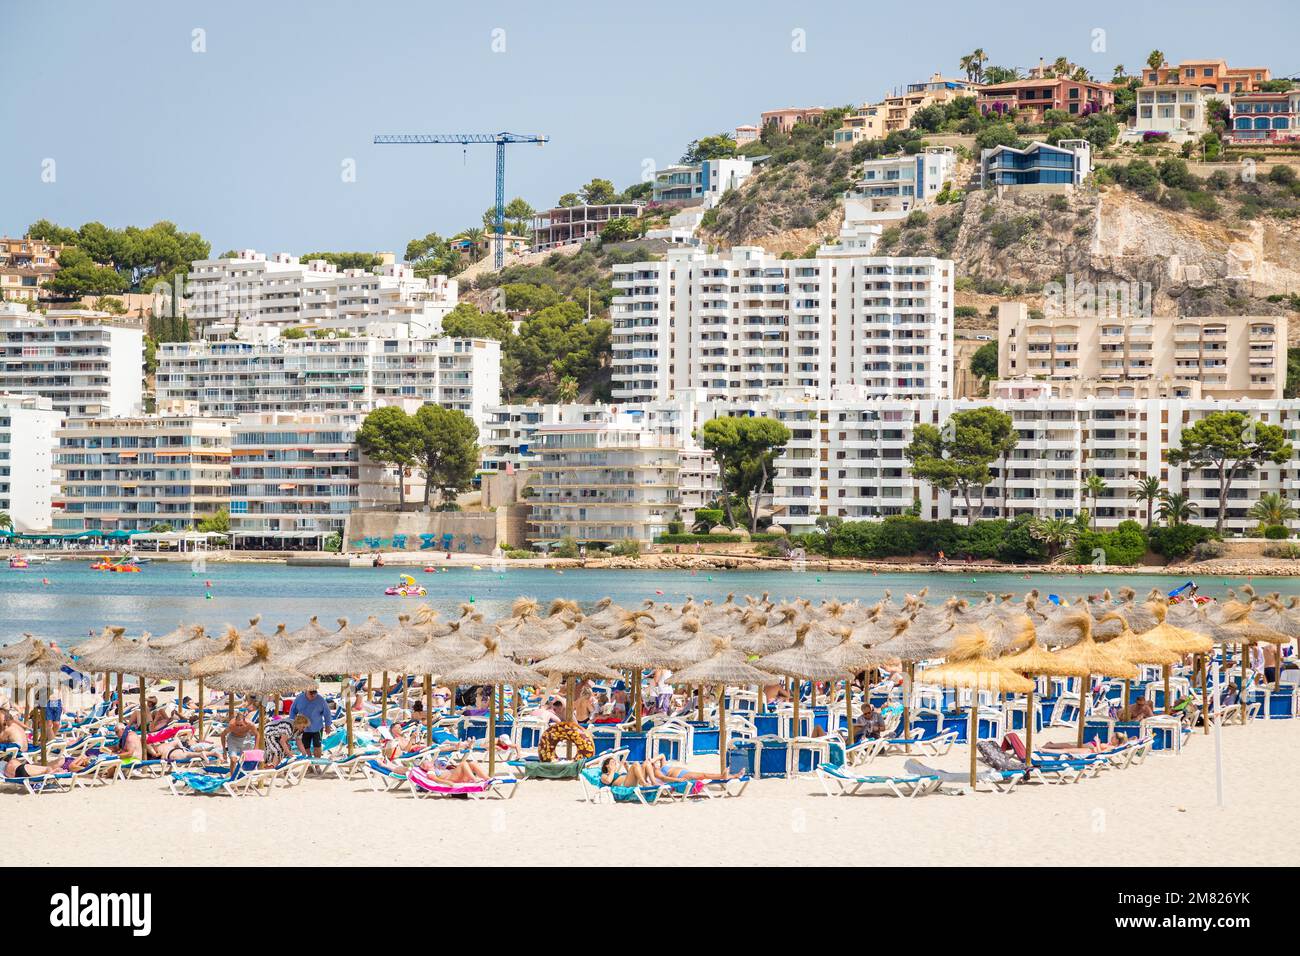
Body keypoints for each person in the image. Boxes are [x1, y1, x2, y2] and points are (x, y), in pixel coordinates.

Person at [289, 685, 333, 757]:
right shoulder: (299, 699)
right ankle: (309, 765)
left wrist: (328, 725)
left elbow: (327, 713)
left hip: (317, 728)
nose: (313, 695)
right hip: (303, 729)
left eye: (314, 693)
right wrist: (293, 723)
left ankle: (317, 765)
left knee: (317, 747)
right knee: (306, 747)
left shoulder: (321, 700)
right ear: (306, 691)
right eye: (311, 693)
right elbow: (292, 711)